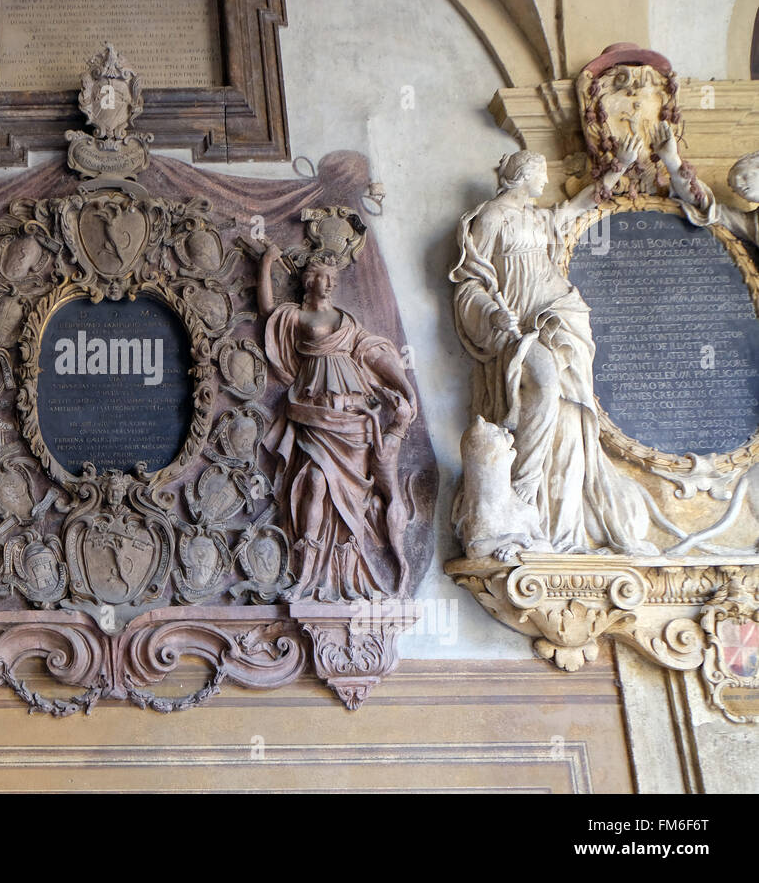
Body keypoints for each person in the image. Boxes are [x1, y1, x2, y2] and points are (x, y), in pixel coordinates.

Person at [451, 140, 656, 555]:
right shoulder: (492, 218)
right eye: (541, 172)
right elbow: (469, 283)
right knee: (543, 387)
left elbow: (580, 205)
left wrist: (619, 167)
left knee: (570, 412)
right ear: (524, 176)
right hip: (517, 328)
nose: (547, 179)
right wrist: (493, 313)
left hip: (558, 314)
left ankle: (543, 516)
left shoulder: (539, 217)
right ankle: (521, 501)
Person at [258, 243, 417, 600]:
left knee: (352, 493)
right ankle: (306, 572)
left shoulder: (348, 322)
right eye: (322, 277)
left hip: (353, 416)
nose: (329, 284)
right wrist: (267, 262)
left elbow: (374, 353)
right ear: (308, 281)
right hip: (317, 413)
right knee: (314, 480)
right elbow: (268, 311)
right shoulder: (297, 316)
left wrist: (404, 385)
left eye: (332, 278)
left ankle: (346, 576)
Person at [652, 121, 759, 245]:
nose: (740, 186)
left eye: (744, 177)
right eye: (736, 188)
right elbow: (705, 204)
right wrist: (672, 161)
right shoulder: (750, 224)